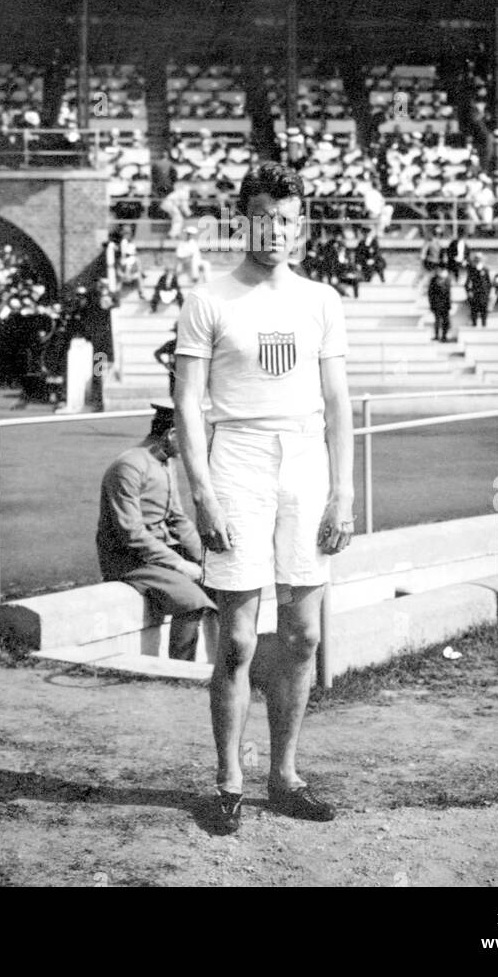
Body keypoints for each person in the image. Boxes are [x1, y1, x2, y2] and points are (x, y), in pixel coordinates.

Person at [175, 161, 353, 834]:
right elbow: (188, 403)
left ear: (300, 224)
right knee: (240, 641)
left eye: (285, 217)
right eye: (260, 216)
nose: (273, 229)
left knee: (303, 633)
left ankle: (285, 776)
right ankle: (228, 781)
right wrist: (202, 492)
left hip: (304, 460)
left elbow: (337, 403)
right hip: (239, 461)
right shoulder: (210, 299)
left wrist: (344, 492)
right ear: (241, 220)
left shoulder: (321, 299)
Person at [96, 400, 216, 661]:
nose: (192, 448)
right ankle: (180, 672)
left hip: (159, 557)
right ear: (172, 434)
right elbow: (131, 533)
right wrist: (179, 564)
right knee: (192, 600)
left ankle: (218, 668)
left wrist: (203, 558)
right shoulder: (128, 466)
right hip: (129, 561)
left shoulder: (164, 462)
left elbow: (178, 518)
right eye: (189, 439)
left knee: (220, 586)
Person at [465, 253, 492, 328]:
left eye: (479, 258)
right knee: (474, 311)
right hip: (475, 294)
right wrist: (469, 292)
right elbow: (467, 284)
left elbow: (489, 283)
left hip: (484, 294)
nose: (478, 260)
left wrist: (487, 293)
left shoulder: (485, 270)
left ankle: (484, 325)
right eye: (477, 259)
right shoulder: (472, 270)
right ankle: (474, 325)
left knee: (484, 311)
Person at [428, 264, 452, 342]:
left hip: (445, 304)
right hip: (436, 303)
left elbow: (449, 293)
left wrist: (449, 304)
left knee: (445, 321)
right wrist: (431, 304)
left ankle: (444, 336)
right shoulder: (433, 280)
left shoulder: (447, 280)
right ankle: (436, 335)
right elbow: (430, 293)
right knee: (437, 320)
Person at [153, 324, 178, 397]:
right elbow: (157, 353)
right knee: (174, 394)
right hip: (174, 372)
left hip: (187, 374)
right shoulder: (171, 344)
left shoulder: (188, 345)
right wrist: (165, 364)